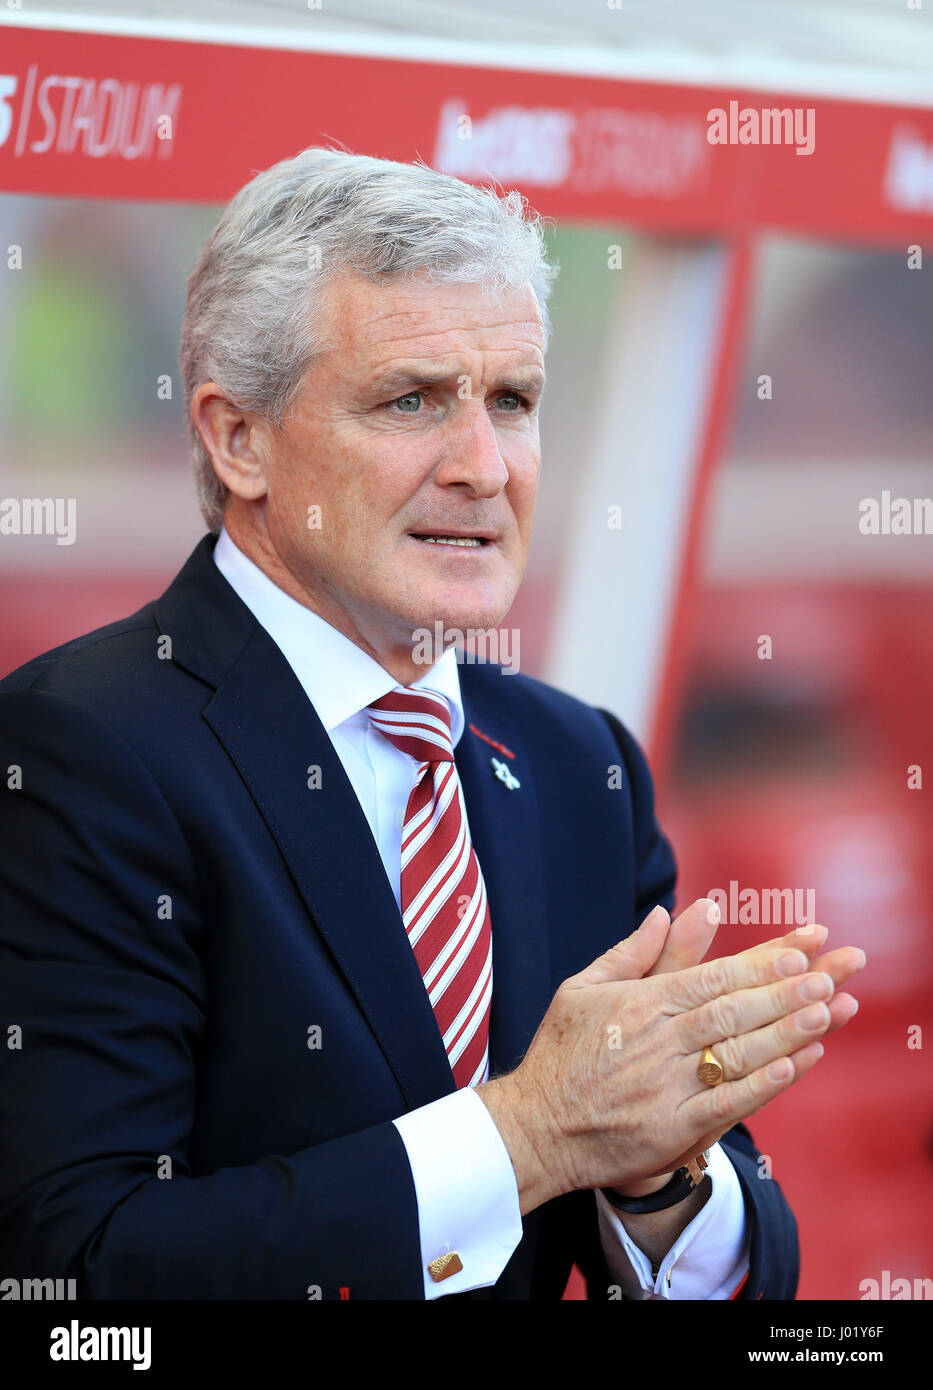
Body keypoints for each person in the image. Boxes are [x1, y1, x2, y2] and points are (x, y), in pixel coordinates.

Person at [0, 148, 864, 1301]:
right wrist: (531, 1135)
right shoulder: (75, 751)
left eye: (512, 401)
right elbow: (76, 1274)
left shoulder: (578, 761)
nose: (483, 466)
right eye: (411, 400)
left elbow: (744, 1276)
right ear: (236, 439)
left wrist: (659, 1179)